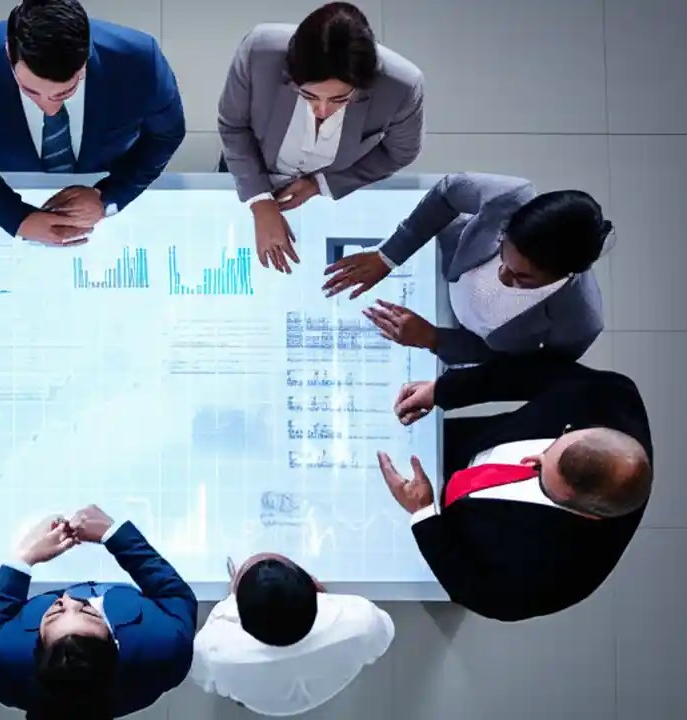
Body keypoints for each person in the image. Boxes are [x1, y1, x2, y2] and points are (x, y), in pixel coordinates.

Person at [379, 353, 652, 621]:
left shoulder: (562, 577)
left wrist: (425, 514)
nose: (534, 459)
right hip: (458, 442)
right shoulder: (612, 397)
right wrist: (443, 390)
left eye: (541, 477)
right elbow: (530, 373)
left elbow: (477, 592)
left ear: (588, 515)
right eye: (557, 440)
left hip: (439, 528)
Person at [0, 0, 185, 245]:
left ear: (85, 61)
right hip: (2, 192)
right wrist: (15, 217)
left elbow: (166, 135)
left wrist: (108, 196)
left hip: (106, 211)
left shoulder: (139, 60)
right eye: (31, 91)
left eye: (64, 93)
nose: (49, 109)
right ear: (8, 53)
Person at [219, 3, 424, 273]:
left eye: (340, 99)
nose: (323, 110)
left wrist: (321, 184)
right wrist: (259, 200)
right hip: (248, 175)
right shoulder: (259, 51)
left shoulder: (402, 86)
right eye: (309, 96)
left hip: (329, 195)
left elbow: (400, 152)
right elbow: (233, 126)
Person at [323, 173, 612, 364]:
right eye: (504, 253)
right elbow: (448, 192)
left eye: (521, 278)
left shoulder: (581, 319)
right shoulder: (512, 197)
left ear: (564, 274)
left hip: (459, 335)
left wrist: (434, 339)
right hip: (444, 267)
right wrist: (388, 256)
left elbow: (527, 370)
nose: (503, 275)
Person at [0, 505, 197, 718]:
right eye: (89, 612)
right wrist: (113, 534)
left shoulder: (1, 663)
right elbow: (175, 594)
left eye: (56, 611)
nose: (71, 599)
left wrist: (26, 555)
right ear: (115, 644)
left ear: (36, 646)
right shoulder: (166, 647)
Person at [190, 553, 393, 716]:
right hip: (329, 690)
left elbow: (203, 677)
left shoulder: (213, 649)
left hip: (262, 704)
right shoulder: (361, 621)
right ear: (315, 586)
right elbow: (383, 638)